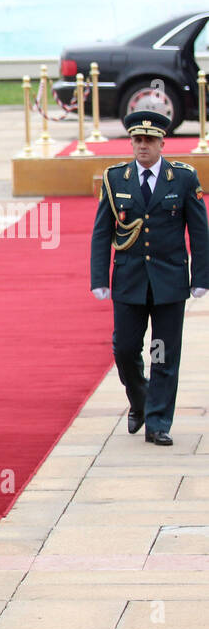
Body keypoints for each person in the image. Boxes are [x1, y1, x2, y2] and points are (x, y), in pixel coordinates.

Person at [90, 110, 208, 446]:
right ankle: (140, 401)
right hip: (129, 279)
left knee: (163, 353)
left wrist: (201, 275)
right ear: (131, 142)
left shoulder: (183, 178)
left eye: (150, 140)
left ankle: (158, 422)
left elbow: (199, 232)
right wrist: (99, 276)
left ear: (161, 143)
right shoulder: (116, 179)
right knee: (125, 349)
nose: (143, 146)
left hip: (169, 281)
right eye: (137, 140)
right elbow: (102, 232)